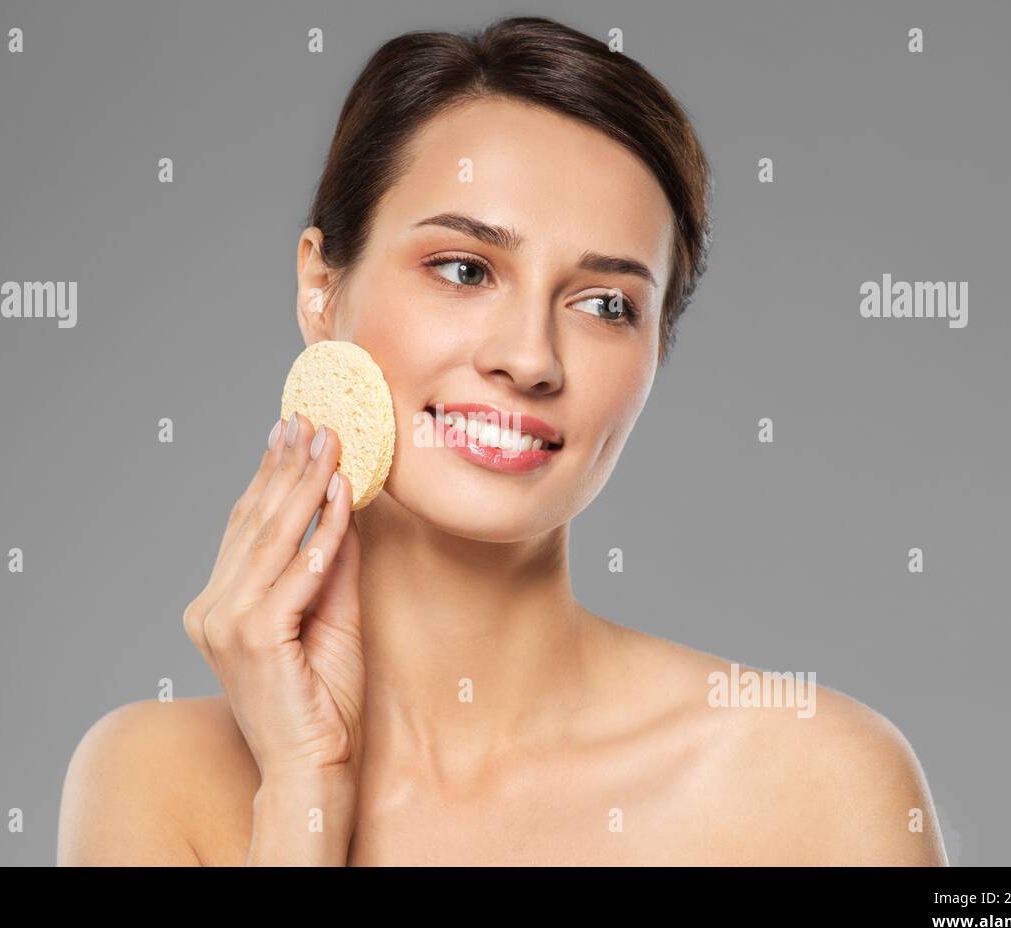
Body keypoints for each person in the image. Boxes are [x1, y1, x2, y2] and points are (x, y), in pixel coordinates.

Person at [57, 15, 947, 866]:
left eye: (606, 305)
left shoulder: (819, 787)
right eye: (464, 269)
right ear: (321, 289)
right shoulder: (153, 783)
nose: (529, 359)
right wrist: (304, 791)